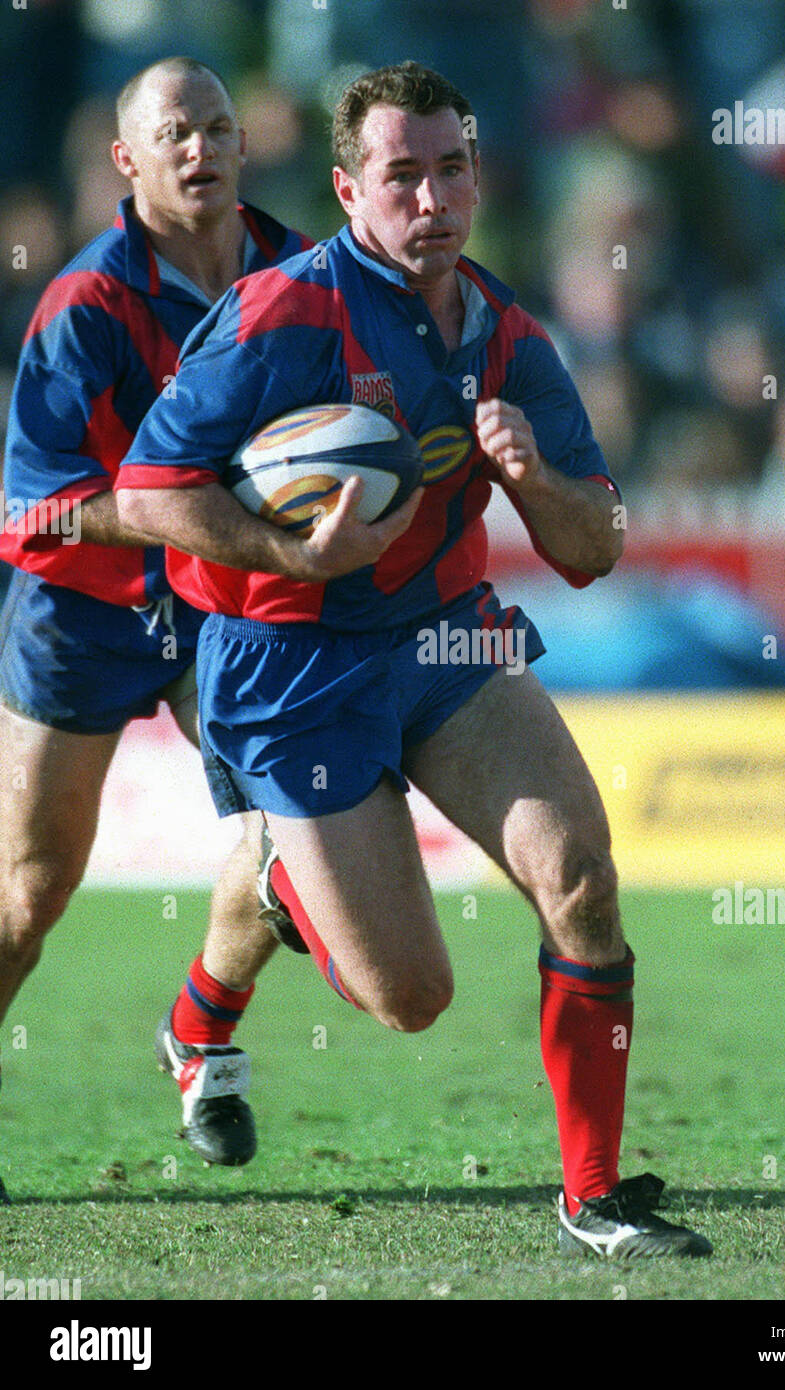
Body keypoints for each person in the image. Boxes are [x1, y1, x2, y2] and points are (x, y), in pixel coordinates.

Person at [116, 60, 712, 1260]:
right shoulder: (282, 313)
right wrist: (291, 545)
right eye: (402, 175)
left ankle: (593, 1198)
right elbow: (142, 490)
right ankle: (272, 901)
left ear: (479, 177)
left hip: (446, 639)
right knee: (410, 998)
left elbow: (596, 543)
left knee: (582, 877)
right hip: (288, 661)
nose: (430, 198)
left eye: (451, 170)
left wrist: (533, 476)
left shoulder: (508, 332)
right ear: (349, 189)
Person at [0, 56, 315, 1191]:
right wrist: (189, 510)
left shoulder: (304, 274)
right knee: (28, 892)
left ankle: (202, 1030)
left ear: (245, 144)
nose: (203, 147)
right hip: (80, 617)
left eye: (220, 126)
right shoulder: (82, 306)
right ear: (125, 162)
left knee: (295, 829)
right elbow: (29, 510)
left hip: (227, 604)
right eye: (175, 132)